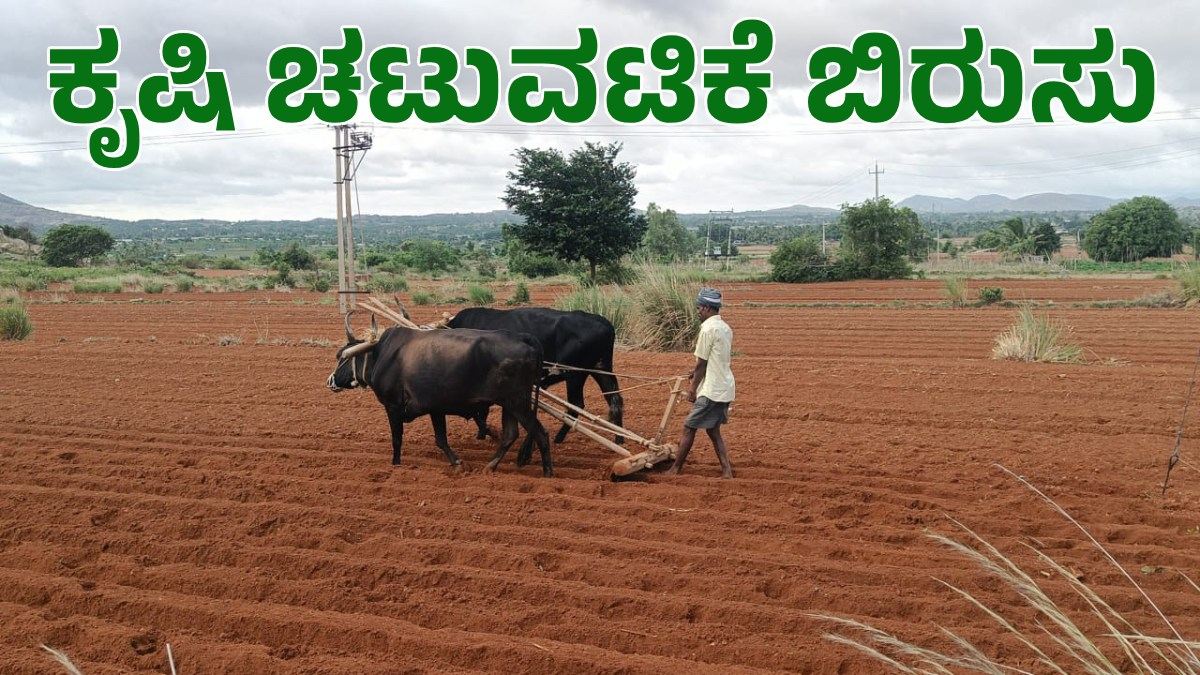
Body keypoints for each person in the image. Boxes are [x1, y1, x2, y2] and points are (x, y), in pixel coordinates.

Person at [665, 287, 734, 478]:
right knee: (713, 430)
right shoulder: (725, 328)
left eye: (698, 308)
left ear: (706, 308)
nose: (697, 312)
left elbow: (702, 363)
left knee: (689, 427)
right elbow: (714, 359)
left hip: (711, 390)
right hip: (725, 386)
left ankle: (675, 469)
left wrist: (692, 389)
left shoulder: (707, 329)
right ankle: (727, 470)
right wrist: (694, 371)